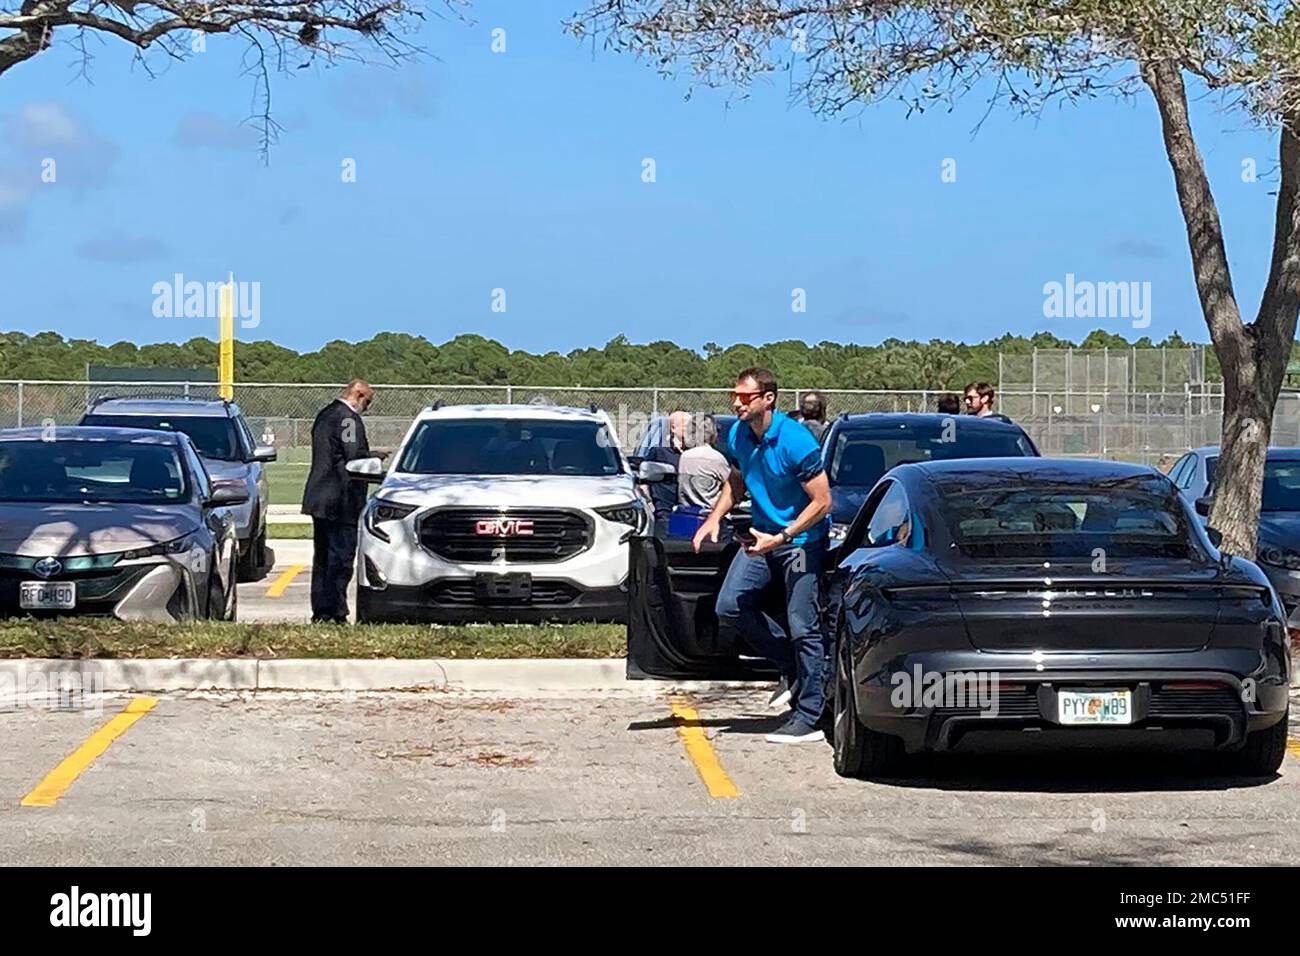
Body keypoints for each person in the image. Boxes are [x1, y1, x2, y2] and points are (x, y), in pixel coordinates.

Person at [694, 367, 832, 744]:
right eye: (734, 396)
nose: (737, 402)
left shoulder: (796, 441)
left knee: (803, 623)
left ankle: (810, 716)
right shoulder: (739, 433)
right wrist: (714, 518)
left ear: (768, 399)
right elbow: (736, 480)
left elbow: (823, 502)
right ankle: (792, 666)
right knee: (729, 606)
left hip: (801, 542)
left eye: (745, 396)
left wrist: (784, 536)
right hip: (760, 537)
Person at [301, 379, 375, 623]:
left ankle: (321, 611)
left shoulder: (325, 414)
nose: (366, 408)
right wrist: (371, 459)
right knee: (341, 559)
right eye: (368, 402)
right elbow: (353, 456)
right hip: (340, 498)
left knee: (322, 559)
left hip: (319, 496)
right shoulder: (347, 418)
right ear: (359, 394)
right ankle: (336, 612)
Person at [643, 409, 691, 535]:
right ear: (673, 428)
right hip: (665, 513)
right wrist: (649, 501)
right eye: (687, 426)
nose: (691, 430)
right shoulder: (659, 452)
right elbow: (643, 479)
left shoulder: (697, 453)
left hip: (691, 511)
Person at [677, 415, 730, 510]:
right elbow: (731, 485)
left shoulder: (684, 457)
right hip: (710, 513)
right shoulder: (716, 458)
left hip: (687, 511)